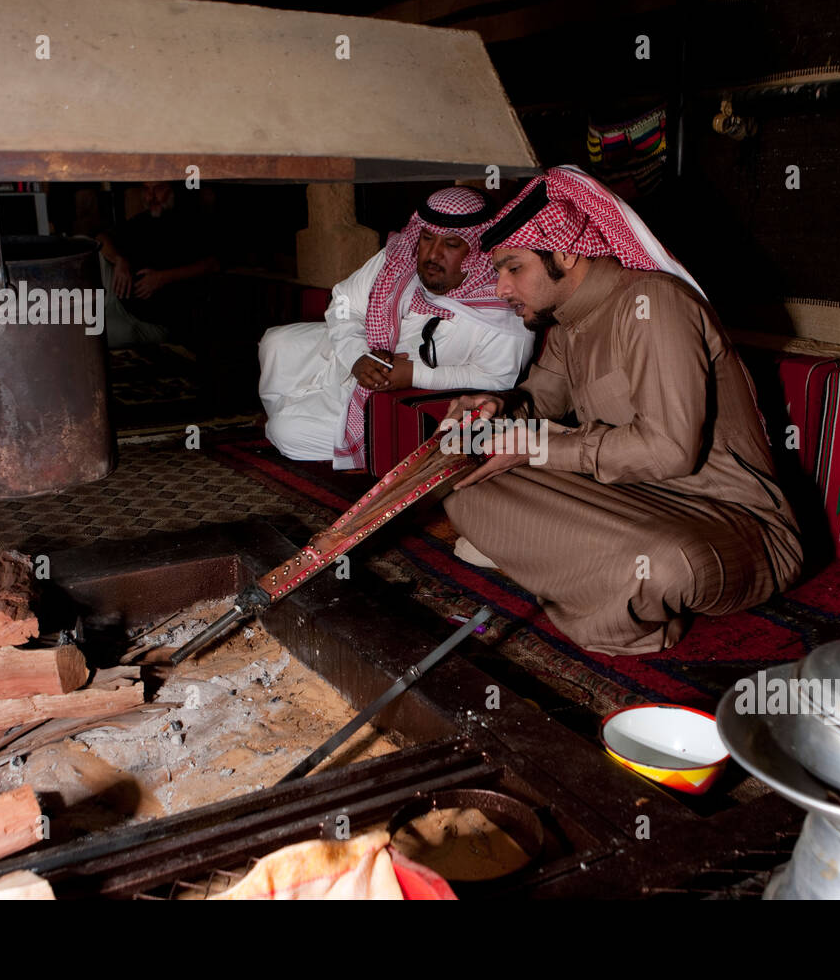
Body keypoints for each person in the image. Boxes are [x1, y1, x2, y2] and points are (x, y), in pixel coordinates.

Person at [441, 166, 803, 656]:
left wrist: (539, 447)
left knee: (667, 564)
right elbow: (538, 400)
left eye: (512, 268)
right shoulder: (570, 323)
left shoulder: (653, 305)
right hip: (627, 501)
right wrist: (495, 409)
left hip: (727, 521)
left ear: (564, 252)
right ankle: (572, 567)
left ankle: (579, 582)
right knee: (463, 481)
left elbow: (669, 452)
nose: (502, 289)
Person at [258, 187, 535, 470]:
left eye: (451, 244)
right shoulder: (400, 258)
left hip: (389, 396)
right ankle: (296, 410)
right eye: (427, 238)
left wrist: (416, 374)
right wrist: (356, 355)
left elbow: (497, 381)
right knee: (276, 343)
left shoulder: (504, 306)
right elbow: (342, 301)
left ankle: (295, 421)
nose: (432, 254)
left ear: (479, 249)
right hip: (356, 356)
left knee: (285, 431)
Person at [95, 181, 221, 346]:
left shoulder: (190, 223)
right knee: (85, 245)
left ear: (173, 190)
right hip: (120, 301)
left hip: (153, 323)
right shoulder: (142, 221)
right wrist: (119, 260)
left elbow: (214, 264)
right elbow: (101, 238)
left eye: (159, 189)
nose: (151, 196)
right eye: (146, 190)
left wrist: (161, 278)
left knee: (92, 333)